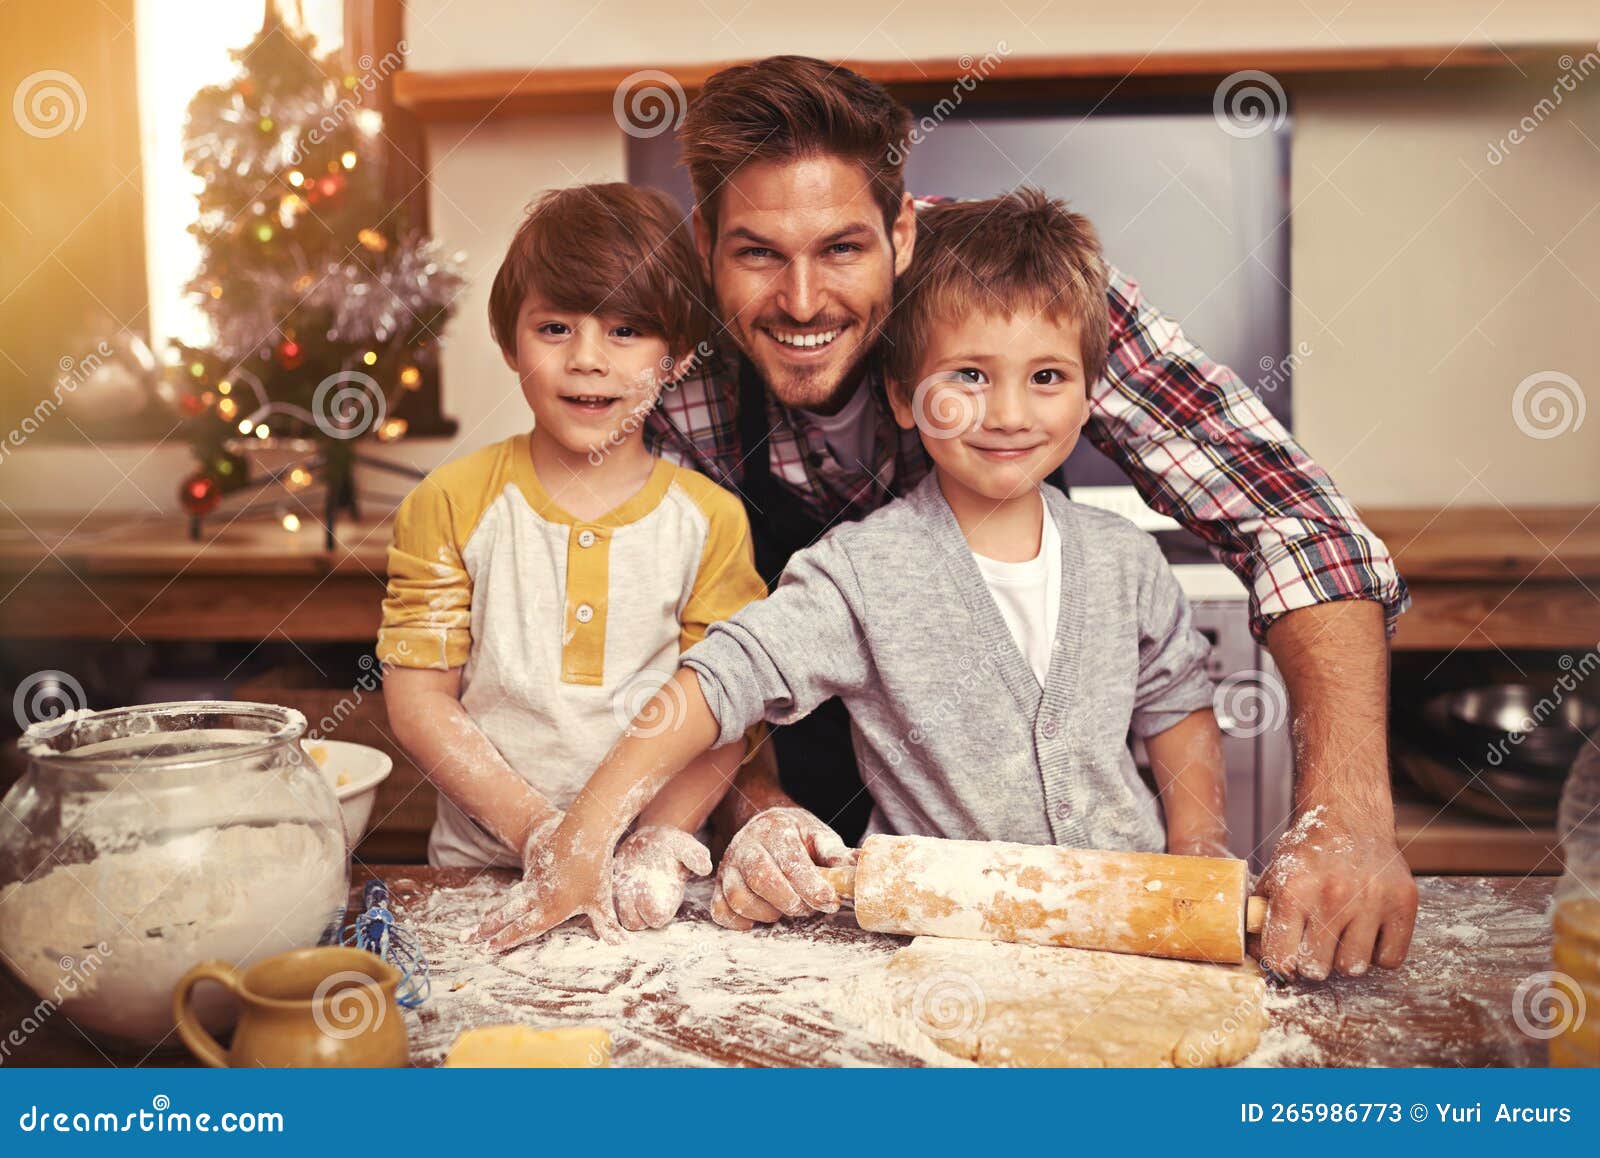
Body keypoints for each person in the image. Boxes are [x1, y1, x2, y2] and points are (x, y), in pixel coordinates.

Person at [647, 55, 1417, 981]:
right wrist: (752, 810)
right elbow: (680, 652)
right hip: (821, 836)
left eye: (843, 249)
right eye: (759, 253)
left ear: (900, 229)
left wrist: (1352, 818)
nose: (804, 301)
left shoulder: (1021, 291)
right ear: (706, 245)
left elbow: (1298, 524)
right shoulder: (655, 359)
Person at [471, 189, 1234, 954]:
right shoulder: (860, 572)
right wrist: (585, 837)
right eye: (968, 375)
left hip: (1135, 929)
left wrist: (1198, 847)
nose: (1008, 413)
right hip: (941, 946)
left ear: (1088, 392)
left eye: (1046, 377)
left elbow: (1176, 704)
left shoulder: (1127, 560)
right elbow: (715, 682)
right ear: (902, 397)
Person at [378, 183, 766, 937]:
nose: (588, 361)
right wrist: (543, 837)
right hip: (479, 876)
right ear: (509, 345)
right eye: (555, 327)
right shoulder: (450, 501)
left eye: (626, 331)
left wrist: (655, 843)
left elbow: (728, 715)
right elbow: (420, 701)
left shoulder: (711, 522)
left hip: (648, 889)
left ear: (678, 357)